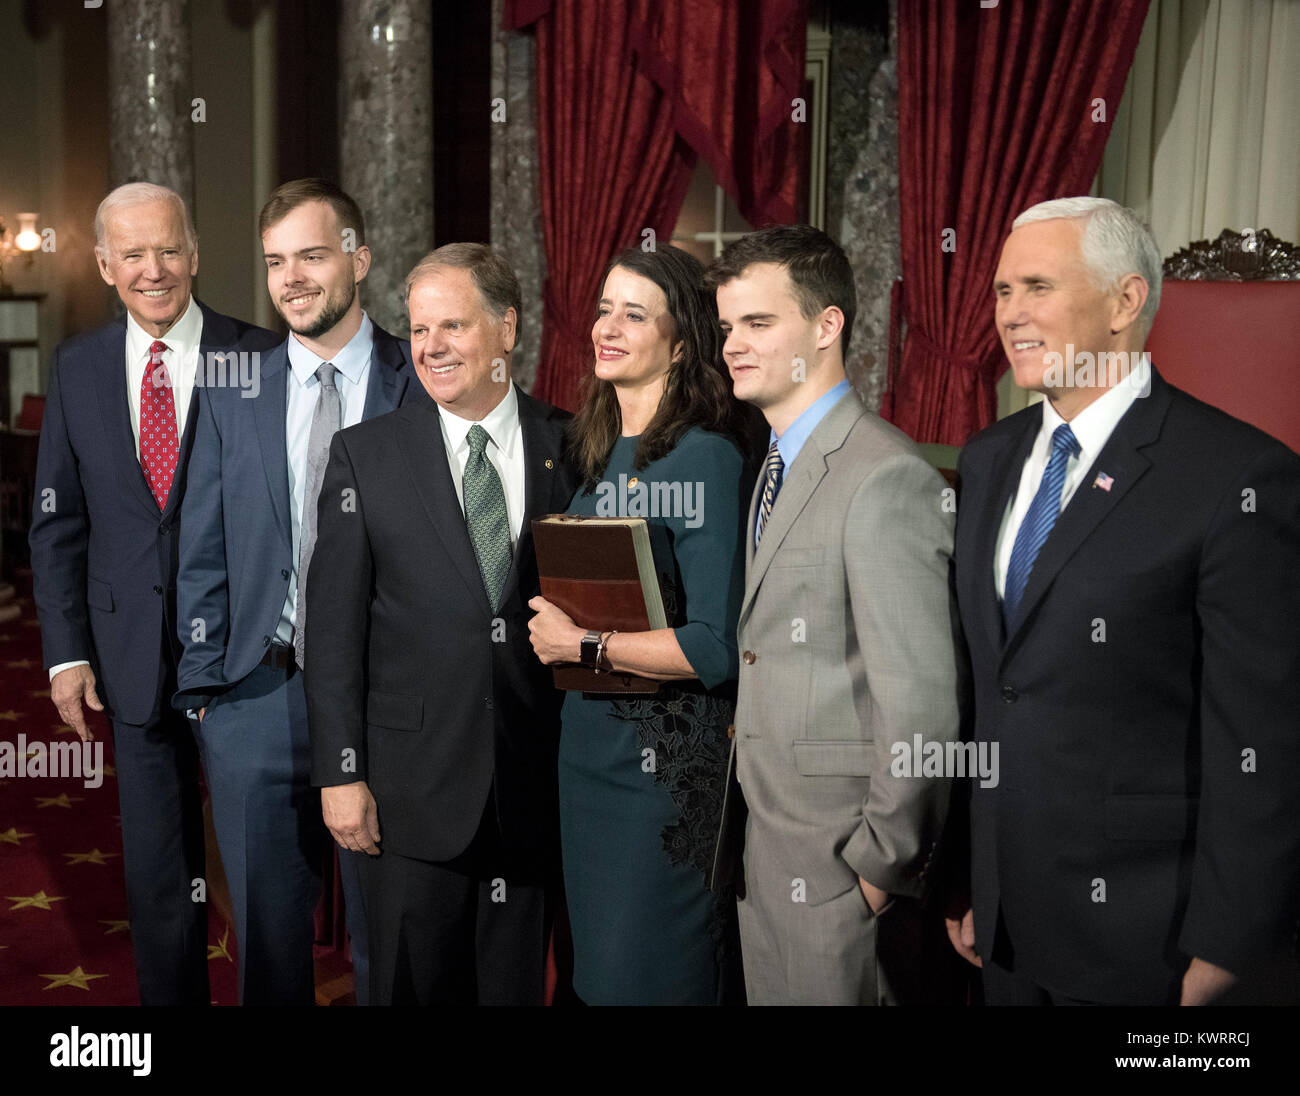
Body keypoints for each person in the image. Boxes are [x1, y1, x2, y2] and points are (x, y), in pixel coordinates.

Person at [946, 197, 1300, 1005]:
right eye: (1002, 291)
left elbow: (1264, 739)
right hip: (999, 924)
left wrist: (1228, 942)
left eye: (1037, 286)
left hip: (1151, 936)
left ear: (1125, 301)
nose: (1010, 314)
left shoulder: (1237, 477)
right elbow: (984, 690)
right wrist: (966, 878)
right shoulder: (987, 459)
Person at [173, 178, 426, 1004]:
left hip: (387, 703)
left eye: (313, 255)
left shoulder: (419, 377)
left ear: (359, 258)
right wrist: (208, 688)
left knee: (391, 947)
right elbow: (201, 542)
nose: (293, 279)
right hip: (255, 696)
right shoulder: (233, 383)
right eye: (277, 261)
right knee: (268, 956)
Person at [305, 244, 577, 1005]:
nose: (429, 347)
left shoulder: (574, 446)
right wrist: (341, 772)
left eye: (452, 326)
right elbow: (332, 636)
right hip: (405, 796)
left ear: (507, 328)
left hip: (533, 791)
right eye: (419, 330)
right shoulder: (367, 457)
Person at [28, 182, 278, 1004]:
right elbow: (57, 524)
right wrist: (65, 655)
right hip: (127, 655)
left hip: (244, 660)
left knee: (261, 867)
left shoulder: (259, 358)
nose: (153, 269)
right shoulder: (77, 368)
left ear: (196, 254)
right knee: (159, 873)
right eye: (132, 254)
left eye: (168, 249)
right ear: (104, 265)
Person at [707, 224, 961, 1005]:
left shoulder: (886, 477)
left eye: (758, 324)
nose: (734, 346)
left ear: (826, 326)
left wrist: (878, 868)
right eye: (726, 328)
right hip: (764, 851)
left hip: (838, 873)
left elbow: (923, 703)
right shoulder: (770, 462)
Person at [528, 243, 751, 1005]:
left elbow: (718, 646)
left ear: (682, 343)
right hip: (586, 758)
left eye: (634, 314)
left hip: (663, 774)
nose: (607, 327)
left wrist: (582, 644)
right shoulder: (589, 452)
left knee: (646, 978)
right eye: (602, 309)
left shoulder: (705, 458)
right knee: (595, 978)